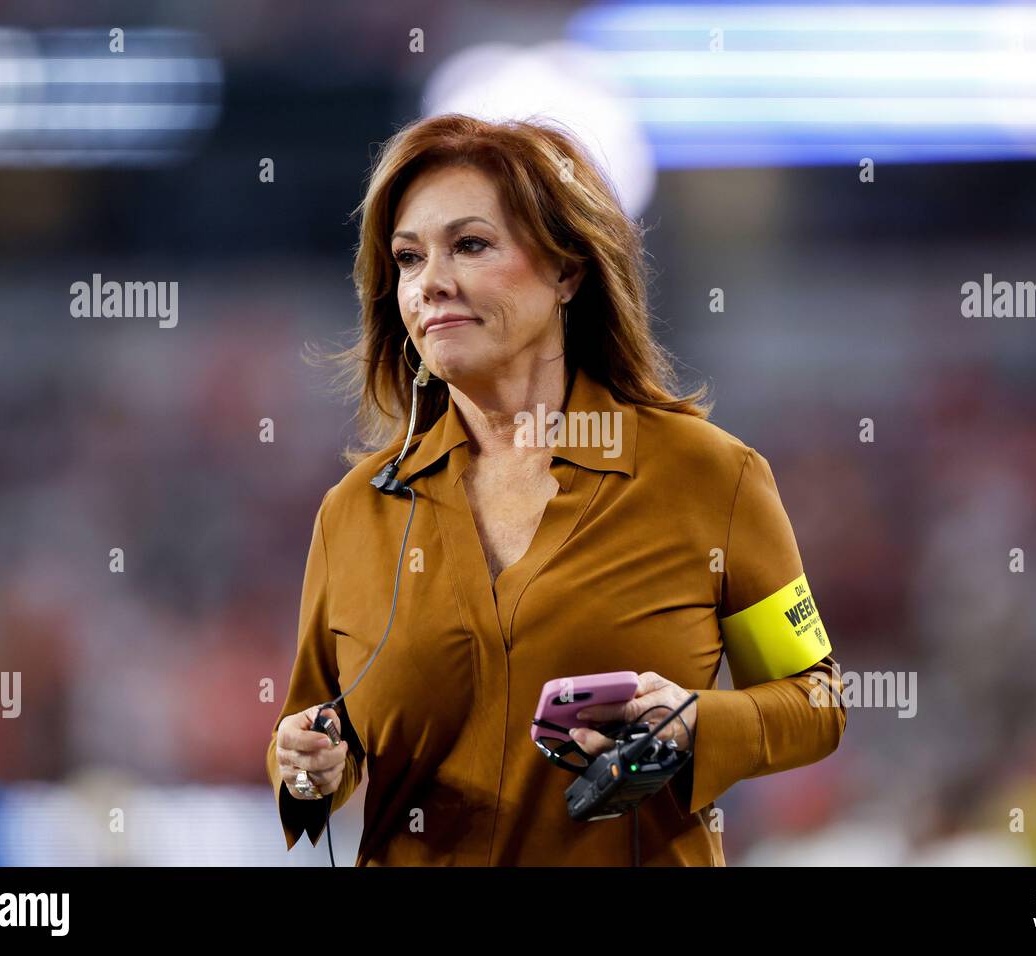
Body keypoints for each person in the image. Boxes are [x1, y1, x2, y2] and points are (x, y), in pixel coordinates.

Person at [265, 113, 846, 865]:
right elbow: (312, 741)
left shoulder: (710, 477)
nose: (431, 283)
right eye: (408, 259)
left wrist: (696, 720)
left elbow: (819, 700)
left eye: (470, 245)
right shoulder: (356, 513)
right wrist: (307, 769)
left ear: (568, 270)